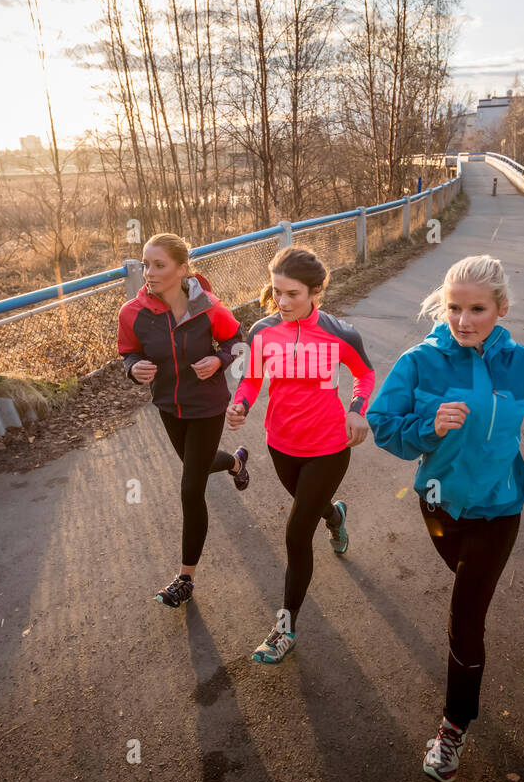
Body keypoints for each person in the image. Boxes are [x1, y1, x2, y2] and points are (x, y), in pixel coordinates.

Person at [367, 254, 524, 782]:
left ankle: (454, 726)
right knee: (464, 582)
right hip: (438, 505)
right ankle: (473, 595)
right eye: (454, 307)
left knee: (466, 614)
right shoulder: (420, 361)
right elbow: (384, 424)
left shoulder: (522, 363)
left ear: (500, 309)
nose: (463, 320)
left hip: (500, 508)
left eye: (477, 309)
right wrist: (427, 426)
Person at [227, 247, 376, 664]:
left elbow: (365, 374)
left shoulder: (340, 333)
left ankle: (284, 626)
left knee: (296, 533)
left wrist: (356, 410)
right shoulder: (262, 331)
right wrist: (241, 404)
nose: (283, 302)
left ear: (316, 292)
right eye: (277, 292)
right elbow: (251, 378)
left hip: (330, 445)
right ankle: (336, 517)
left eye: (292, 294)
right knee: (309, 507)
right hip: (281, 442)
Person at [117, 233, 250, 608]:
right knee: (201, 465)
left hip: (207, 406)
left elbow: (236, 341)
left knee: (191, 488)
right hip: (168, 406)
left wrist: (220, 361)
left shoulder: (208, 307)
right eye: (145, 264)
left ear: (181, 269)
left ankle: (185, 578)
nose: (149, 273)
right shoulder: (133, 313)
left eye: (159, 265)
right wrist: (133, 368)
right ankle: (237, 461)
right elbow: (127, 351)